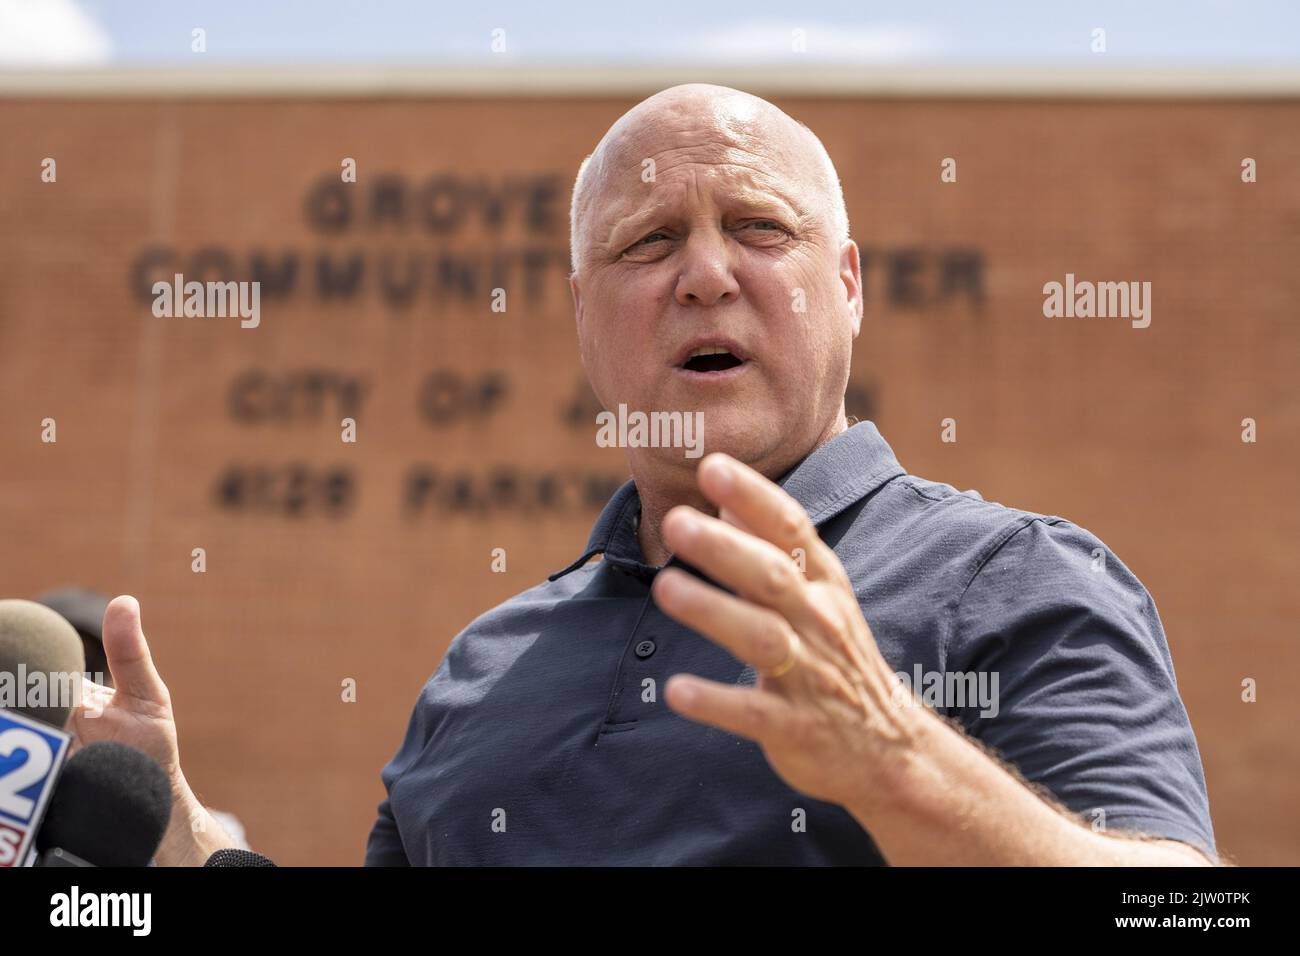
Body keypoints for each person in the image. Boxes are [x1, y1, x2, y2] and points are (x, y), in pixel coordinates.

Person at [75, 84, 1218, 866]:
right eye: (648, 240)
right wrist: (176, 835)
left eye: (760, 227)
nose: (706, 273)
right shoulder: (482, 667)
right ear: (583, 316)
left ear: (851, 286)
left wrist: (899, 761)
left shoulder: (1015, 579)